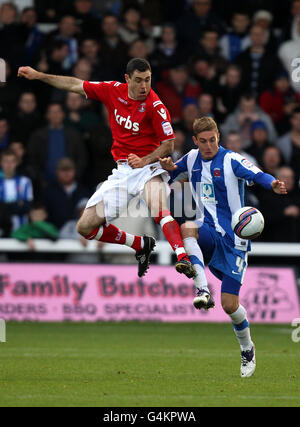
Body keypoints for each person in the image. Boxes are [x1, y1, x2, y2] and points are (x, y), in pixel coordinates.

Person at [18, 58, 196, 279]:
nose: (144, 86)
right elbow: (75, 84)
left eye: (148, 80)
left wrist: (145, 160)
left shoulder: (155, 106)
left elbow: (168, 144)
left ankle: (182, 257)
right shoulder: (112, 91)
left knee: (159, 207)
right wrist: (39, 75)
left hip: (149, 167)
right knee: (85, 227)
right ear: (127, 79)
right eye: (139, 80)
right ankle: (139, 244)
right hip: (122, 172)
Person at [159, 116, 287, 377]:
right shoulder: (192, 158)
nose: (208, 145)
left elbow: (257, 173)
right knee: (187, 227)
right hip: (208, 231)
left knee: (230, 305)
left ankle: (247, 347)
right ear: (195, 140)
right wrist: (163, 165)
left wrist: (272, 183)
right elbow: (170, 171)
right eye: (203, 141)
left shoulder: (231, 160)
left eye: (212, 140)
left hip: (235, 241)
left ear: (219, 136)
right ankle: (202, 289)